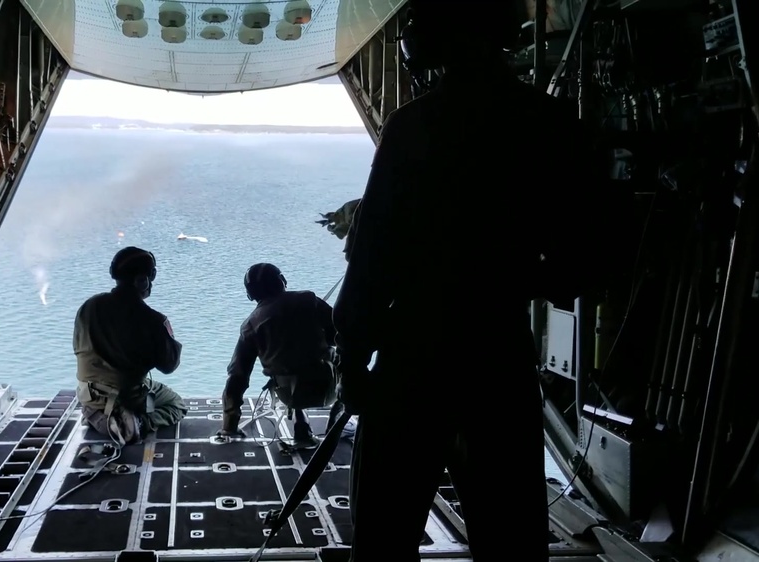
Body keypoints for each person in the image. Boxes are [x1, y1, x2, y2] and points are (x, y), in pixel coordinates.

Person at [333, 2, 631, 561]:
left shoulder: (415, 126)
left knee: (383, 539)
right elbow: (587, 258)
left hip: (414, 353)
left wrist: (352, 360)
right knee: (510, 539)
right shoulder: (551, 124)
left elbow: (372, 260)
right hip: (498, 353)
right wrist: (510, 277)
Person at [73, 246, 187, 446]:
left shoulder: (89, 306)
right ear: (142, 280)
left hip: (87, 394)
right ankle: (137, 423)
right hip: (124, 397)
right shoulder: (152, 320)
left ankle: (99, 416)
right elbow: (169, 366)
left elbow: (77, 348)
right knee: (176, 404)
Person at [219, 263, 339, 449]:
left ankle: (301, 426)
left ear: (250, 294)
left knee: (286, 369)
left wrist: (230, 425)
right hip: (329, 387)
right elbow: (340, 335)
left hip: (289, 394)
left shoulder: (249, 326)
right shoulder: (309, 300)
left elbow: (237, 376)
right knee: (340, 355)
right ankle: (338, 421)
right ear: (282, 281)